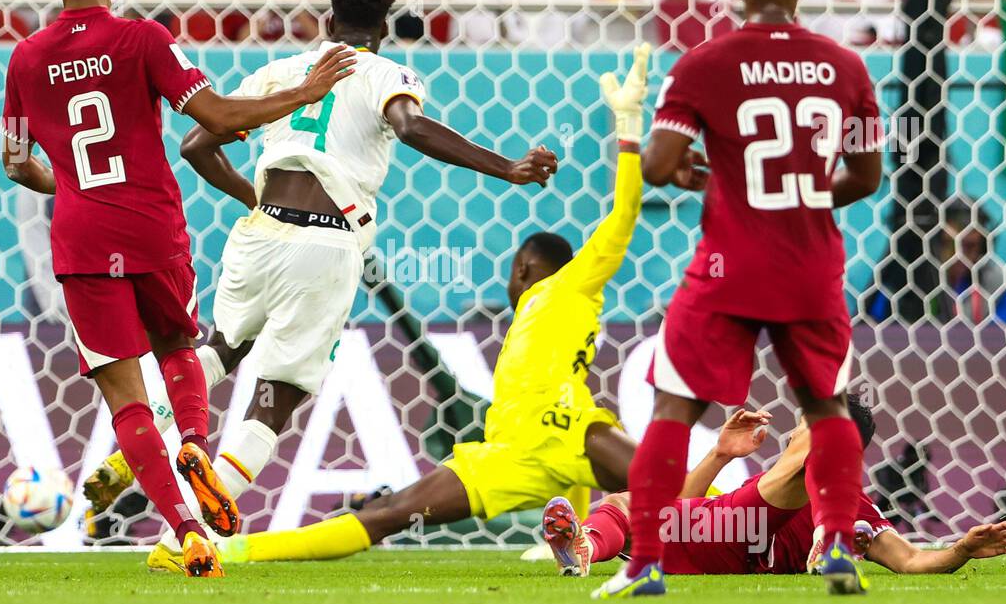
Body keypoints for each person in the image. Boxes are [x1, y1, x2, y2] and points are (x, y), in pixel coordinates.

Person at [140, 46, 769, 572]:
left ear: (525, 268)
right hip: (518, 450)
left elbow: (625, 214)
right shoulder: (540, 313)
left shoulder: (574, 282)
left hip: (558, 437)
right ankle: (230, 547)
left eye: (514, 268)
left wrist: (628, 128)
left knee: (658, 490)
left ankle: (760, 519)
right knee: (389, 514)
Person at [84, 0, 557, 568]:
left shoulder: (283, 73)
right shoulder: (386, 74)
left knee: (218, 350)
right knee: (275, 396)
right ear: (384, 30)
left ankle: (134, 449)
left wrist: (250, 199)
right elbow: (411, 127)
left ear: (327, 21)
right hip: (329, 240)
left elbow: (197, 145)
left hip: (258, 235)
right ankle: (185, 540)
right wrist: (506, 167)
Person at [0, 0, 357, 577]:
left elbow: (16, 161)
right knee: (179, 347)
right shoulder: (143, 39)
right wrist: (302, 93)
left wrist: (68, 184)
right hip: (152, 227)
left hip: (82, 237)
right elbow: (216, 117)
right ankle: (194, 441)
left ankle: (187, 532)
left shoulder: (24, 59)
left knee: (128, 401)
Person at [598, 0, 885, 599]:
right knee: (827, 405)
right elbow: (867, 177)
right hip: (810, 262)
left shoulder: (705, 62)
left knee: (674, 403)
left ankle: (643, 562)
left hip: (729, 261)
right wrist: (807, 197)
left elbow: (662, 163)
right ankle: (837, 543)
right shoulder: (847, 66)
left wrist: (722, 184)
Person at [543, 396, 1006, 580]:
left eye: (801, 427)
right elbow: (908, 561)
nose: (793, 434)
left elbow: (913, 560)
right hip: (717, 535)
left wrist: (962, 549)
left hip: (735, 535)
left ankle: (828, 536)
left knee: (626, 506)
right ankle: (585, 547)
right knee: (630, 507)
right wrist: (719, 454)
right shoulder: (856, 507)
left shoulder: (845, 497)